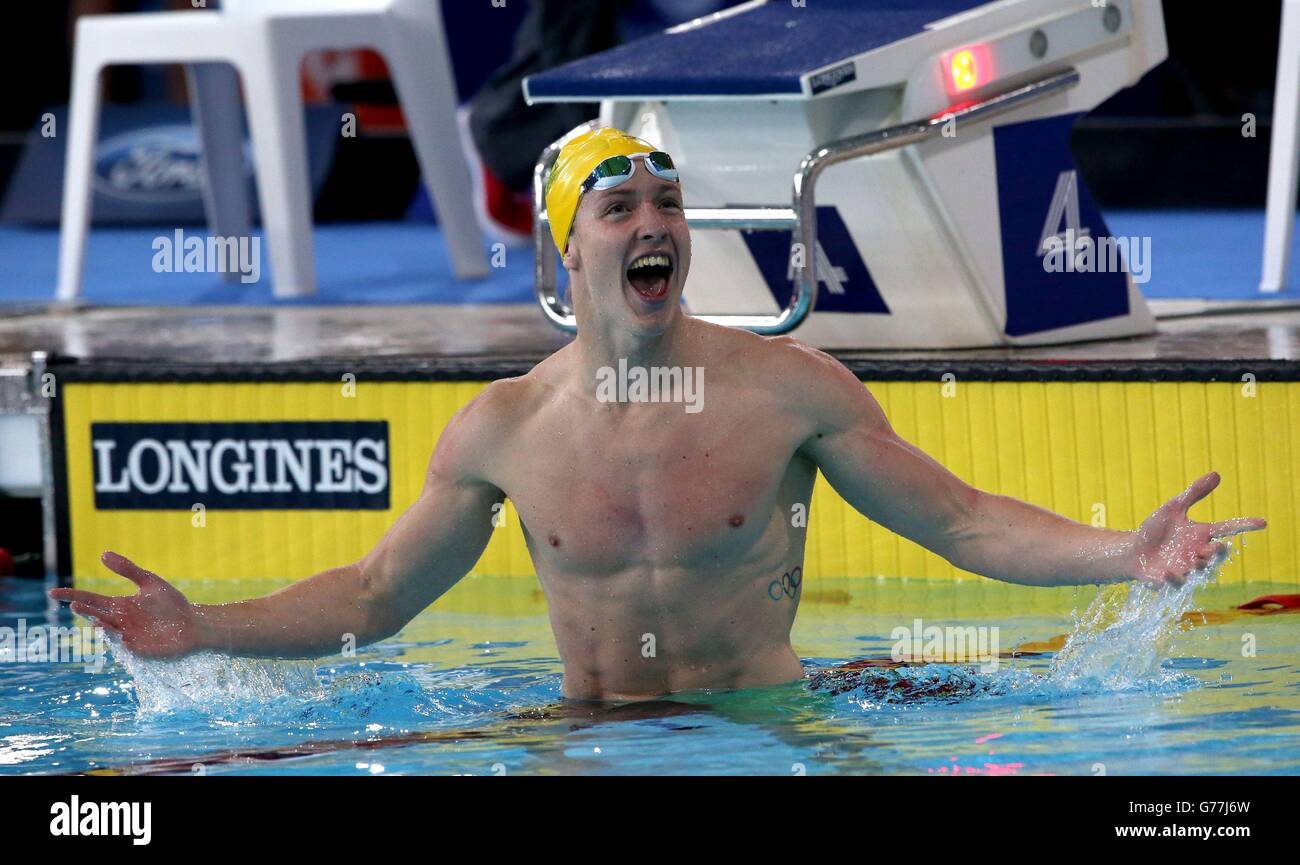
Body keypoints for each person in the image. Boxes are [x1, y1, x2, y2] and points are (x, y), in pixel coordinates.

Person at [51, 128, 1267, 703]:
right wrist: (199, 625)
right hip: (585, 739)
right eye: (620, 204)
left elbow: (959, 525)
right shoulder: (504, 429)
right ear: (566, 243)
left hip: (770, 732)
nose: (655, 224)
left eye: (670, 203)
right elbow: (374, 600)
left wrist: (1130, 553)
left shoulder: (787, 388)